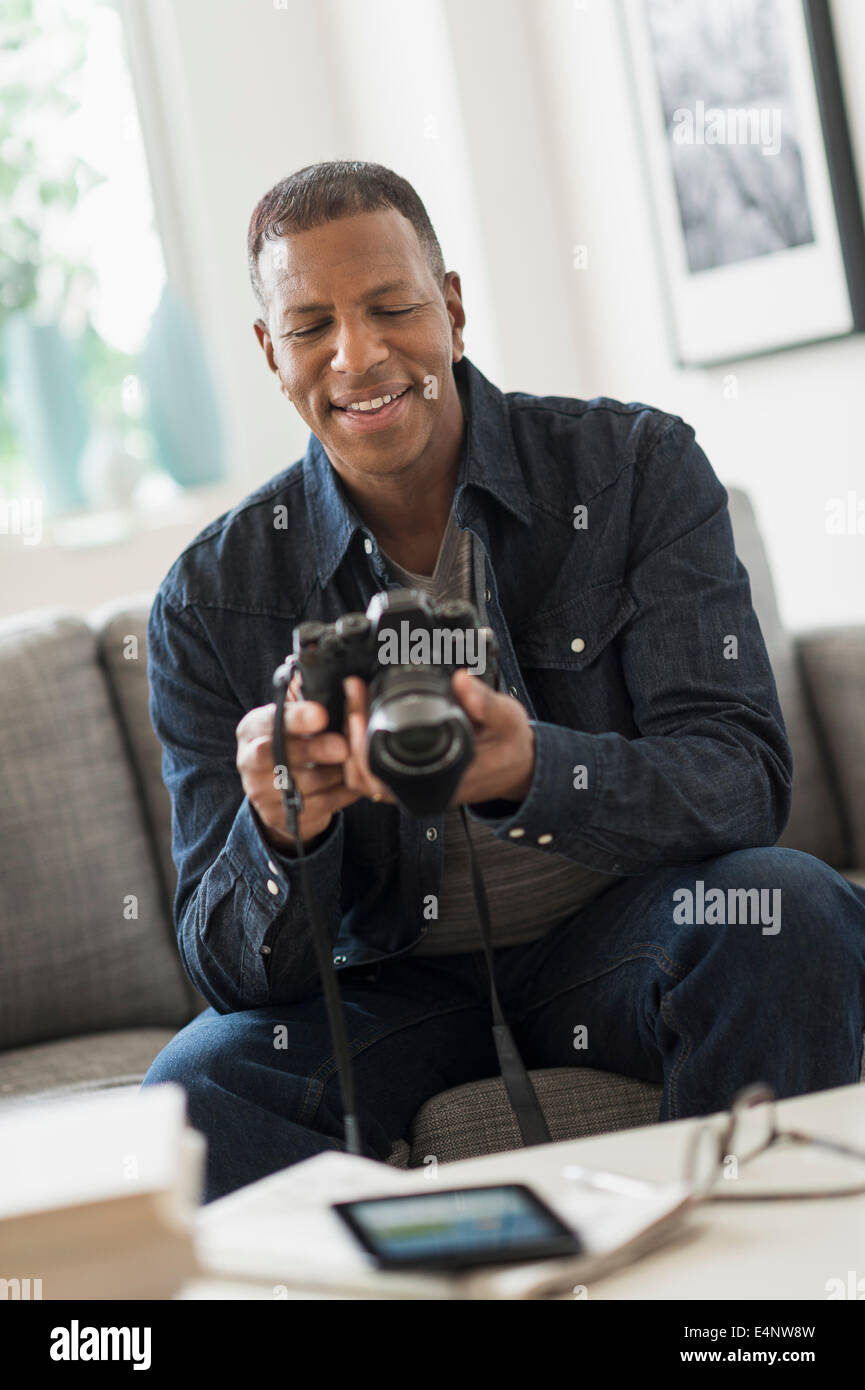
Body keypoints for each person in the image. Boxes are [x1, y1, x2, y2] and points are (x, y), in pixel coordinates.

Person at [143, 160, 865, 1203]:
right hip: (394, 981)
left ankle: (743, 1308)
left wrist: (536, 766)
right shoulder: (211, 599)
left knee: (789, 909)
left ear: (453, 309)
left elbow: (742, 777)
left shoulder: (634, 471)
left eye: (392, 306)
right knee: (189, 1095)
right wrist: (281, 828)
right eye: (310, 328)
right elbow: (228, 973)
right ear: (270, 351)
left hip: (623, 928)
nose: (358, 355)